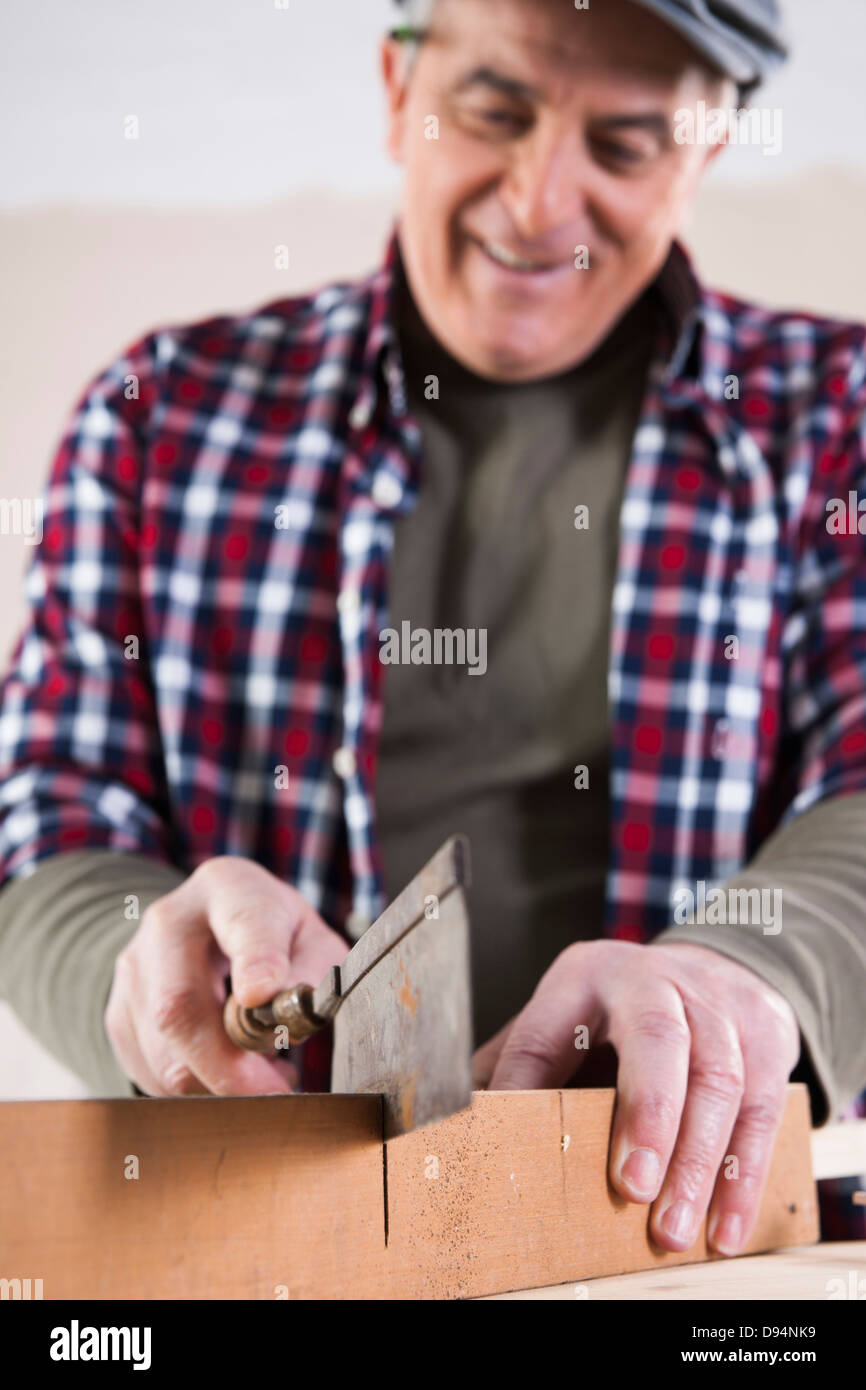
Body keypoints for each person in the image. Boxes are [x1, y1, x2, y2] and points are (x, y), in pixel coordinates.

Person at [1, 0, 864, 1257]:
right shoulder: (157, 417)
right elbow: (56, 816)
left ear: (707, 145)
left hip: (684, 1252)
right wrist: (141, 967)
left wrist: (739, 984)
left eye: (621, 144)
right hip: (256, 1244)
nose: (536, 203)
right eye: (493, 111)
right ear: (396, 81)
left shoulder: (837, 419)